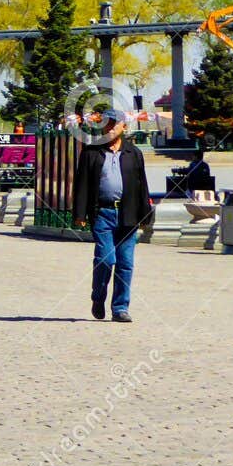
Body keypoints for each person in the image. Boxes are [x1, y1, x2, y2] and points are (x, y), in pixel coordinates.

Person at [73, 114, 149, 323]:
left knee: (125, 263)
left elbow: (141, 184)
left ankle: (120, 308)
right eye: (106, 124)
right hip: (103, 214)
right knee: (106, 259)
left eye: (114, 125)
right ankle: (98, 298)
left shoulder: (133, 153)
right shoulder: (91, 153)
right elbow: (82, 185)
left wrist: (145, 213)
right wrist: (79, 213)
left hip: (128, 214)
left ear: (123, 127)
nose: (109, 128)